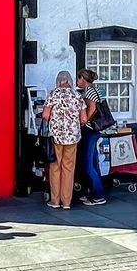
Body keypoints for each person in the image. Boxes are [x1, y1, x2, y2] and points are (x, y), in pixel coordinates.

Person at [41, 71, 86, 210]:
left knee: (55, 167)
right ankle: (66, 202)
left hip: (56, 136)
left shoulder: (53, 94)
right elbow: (84, 119)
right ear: (70, 81)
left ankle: (55, 201)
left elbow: (45, 115)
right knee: (68, 168)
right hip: (72, 137)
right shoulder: (77, 96)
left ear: (58, 81)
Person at [75, 68, 108, 206]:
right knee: (94, 162)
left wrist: (85, 122)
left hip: (90, 130)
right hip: (96, 130)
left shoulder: (89, 91)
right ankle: (94, 192)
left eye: (78, 78)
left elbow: (92, 108)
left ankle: (98, 195)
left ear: (83, 78)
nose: (77, 82)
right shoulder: (95, 89)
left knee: (87, 164)